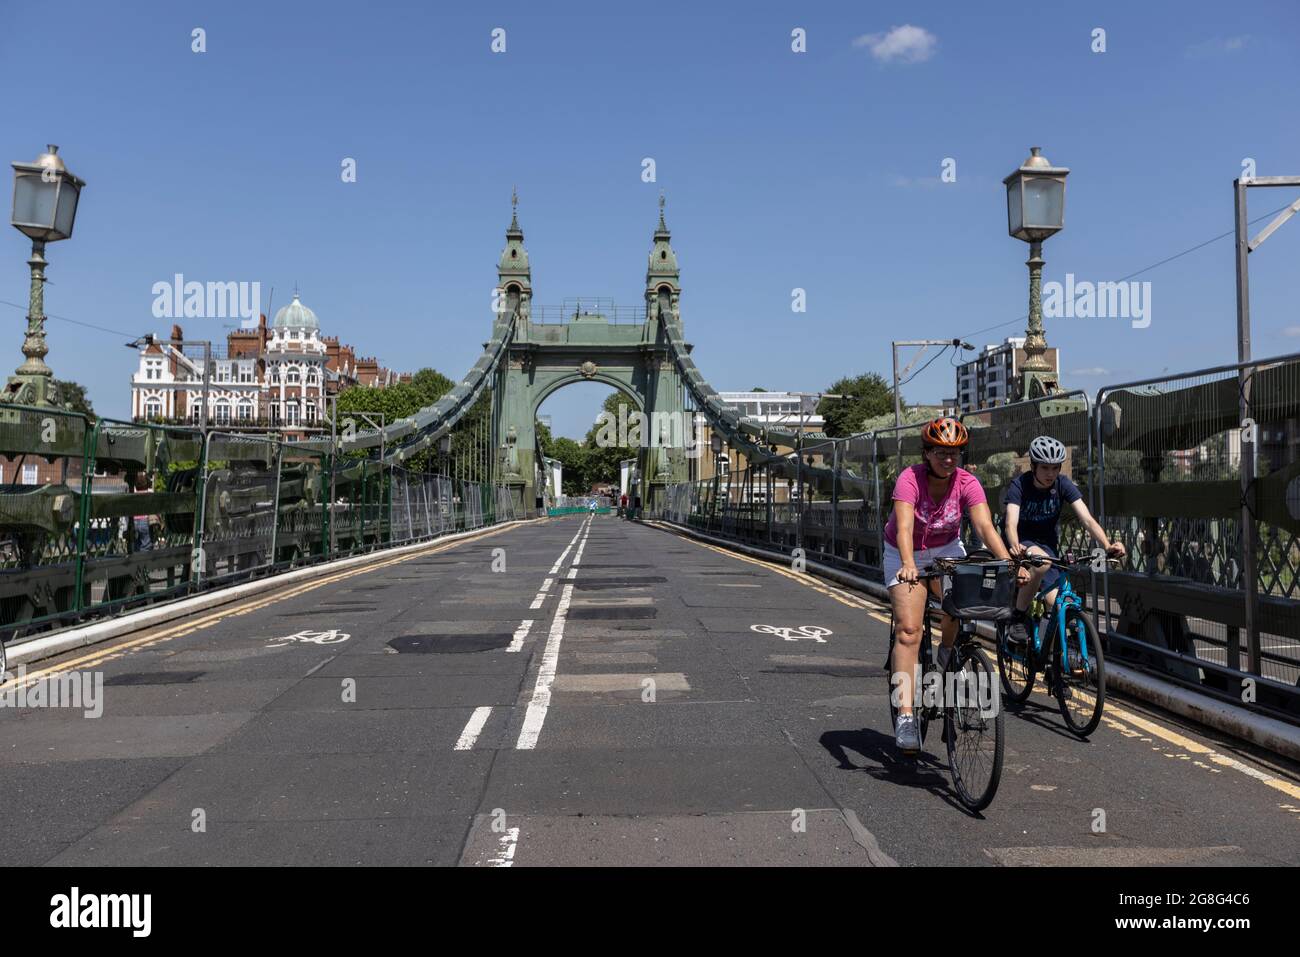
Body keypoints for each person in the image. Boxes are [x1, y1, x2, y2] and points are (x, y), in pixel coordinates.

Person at [885, 417, 1024, 754]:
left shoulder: (967, 482)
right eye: (941, 453)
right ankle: (905, 715)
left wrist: (1007, 563)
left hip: (947, 549)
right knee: (909, 631)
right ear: (927, 453)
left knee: (963, 604)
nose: (948, 459)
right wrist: (907, 565)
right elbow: (903, 528)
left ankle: (948, 656)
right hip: (907, 552)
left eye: (955, 453)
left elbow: (984, 527)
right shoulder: (909, 480)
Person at [1003, 435, 1125, 645]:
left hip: (1047, 546)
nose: (1051, 474)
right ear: (1033, 466)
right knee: (1041, 564)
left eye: (1055, 468)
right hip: (1022, 543)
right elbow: (1010, 523)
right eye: (1044, 468)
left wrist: (1107, 545)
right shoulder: (1019, 485)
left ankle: (1052, 663)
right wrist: (1015, 546)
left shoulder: (1062, 485)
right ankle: (1018, 618)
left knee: (1059, 606)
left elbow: (1086, 519)